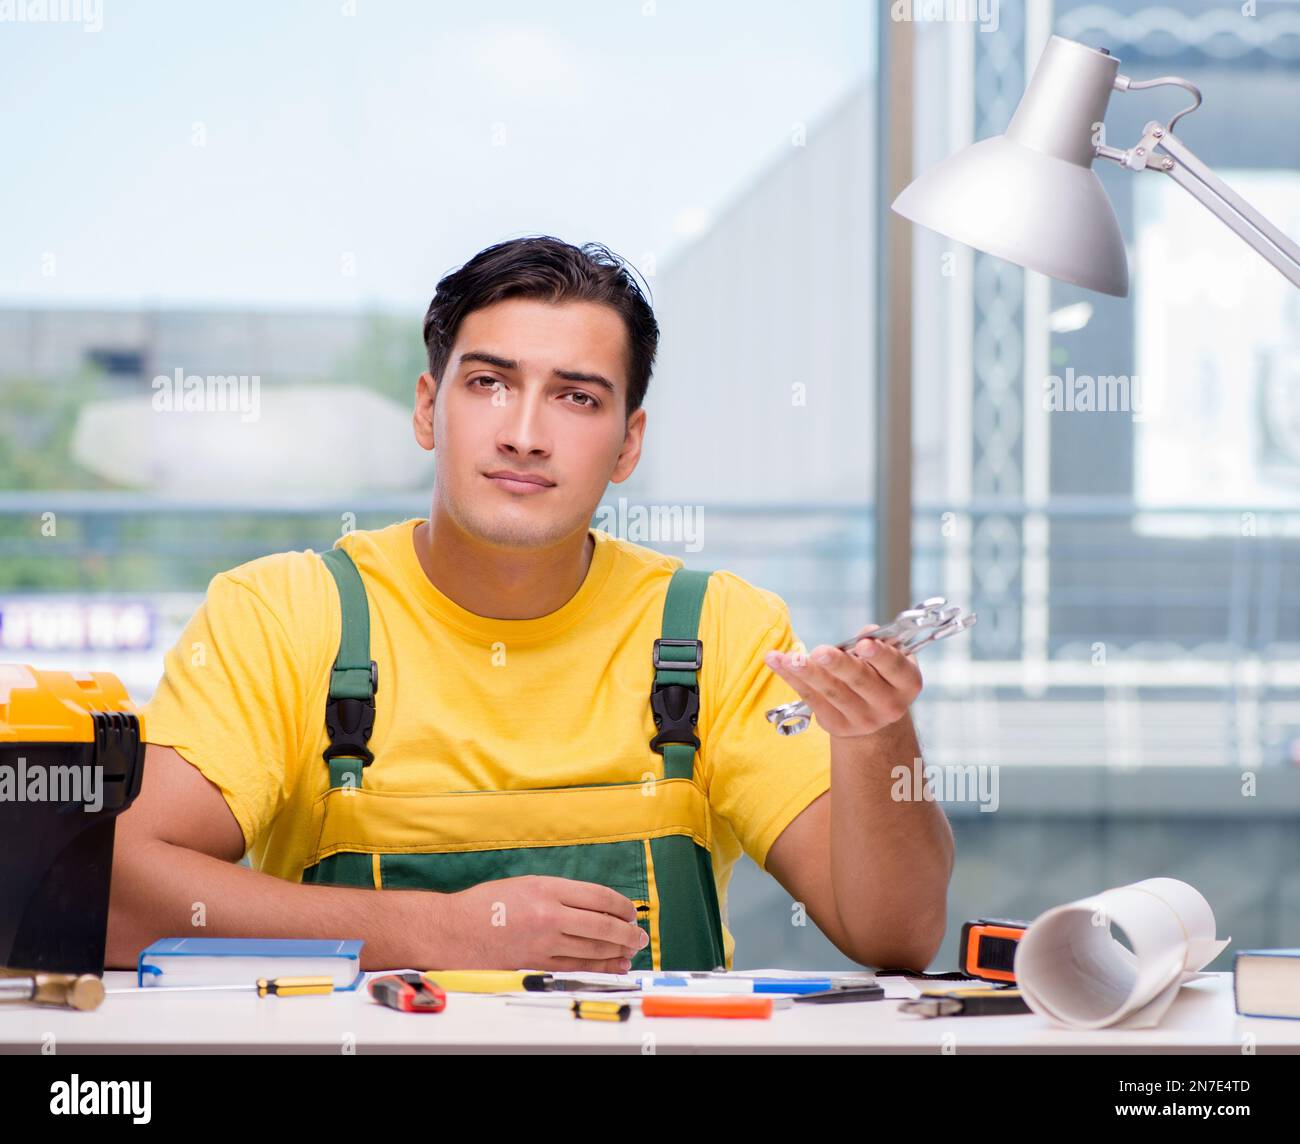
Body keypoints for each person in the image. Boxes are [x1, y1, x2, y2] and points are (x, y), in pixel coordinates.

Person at [107, 235, 953, 973]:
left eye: (577, 397)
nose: (524, 432)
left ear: (628, 444)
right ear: (428, 409)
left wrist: (879, 738)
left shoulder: (717, 632)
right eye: (488, 383)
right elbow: (121, 894)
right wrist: (439, 933)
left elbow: (895, 936)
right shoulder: (286, 616)